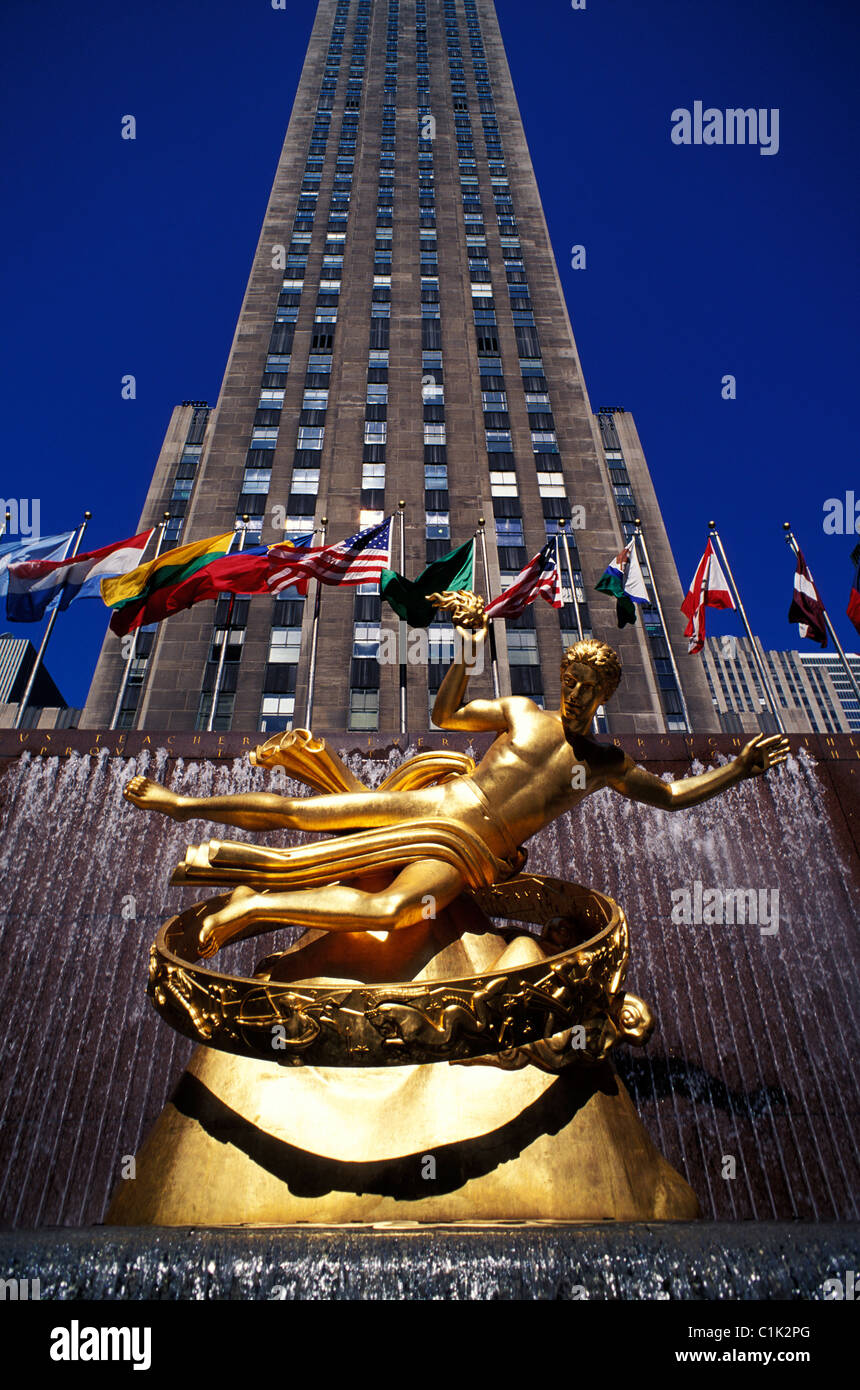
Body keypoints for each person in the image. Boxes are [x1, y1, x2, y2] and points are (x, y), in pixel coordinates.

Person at [124, 595, 789, 955]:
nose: (585, 698)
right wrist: (468, 647)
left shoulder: (606, 763)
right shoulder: (523, 713)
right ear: (564, 678)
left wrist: (738, 768)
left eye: (596, 692)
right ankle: (181, 804)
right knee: (309, 815)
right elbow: (446, 711)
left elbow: (670, 797)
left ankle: (257, 905)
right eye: (579, 683)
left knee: (392, 911)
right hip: (443, 801)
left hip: (474, 848)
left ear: (608, 697)